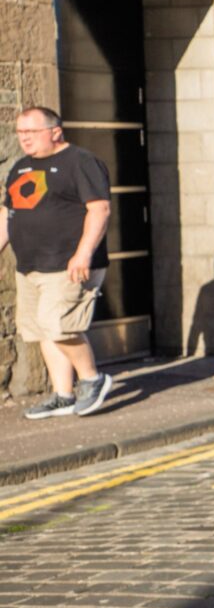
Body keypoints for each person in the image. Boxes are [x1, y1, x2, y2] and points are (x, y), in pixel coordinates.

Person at [3, 107, 115, 419]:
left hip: (68, 264)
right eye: (20, 132)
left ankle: (92, 379)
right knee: (43, 330)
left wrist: (84, 253)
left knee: (60, 325)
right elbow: (8, 214)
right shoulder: (21, 167)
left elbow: (100, 209)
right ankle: (63, 395)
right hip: (30, 265)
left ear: (55, 131)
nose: (24, 138)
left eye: (31, 132)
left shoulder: (81, 162)